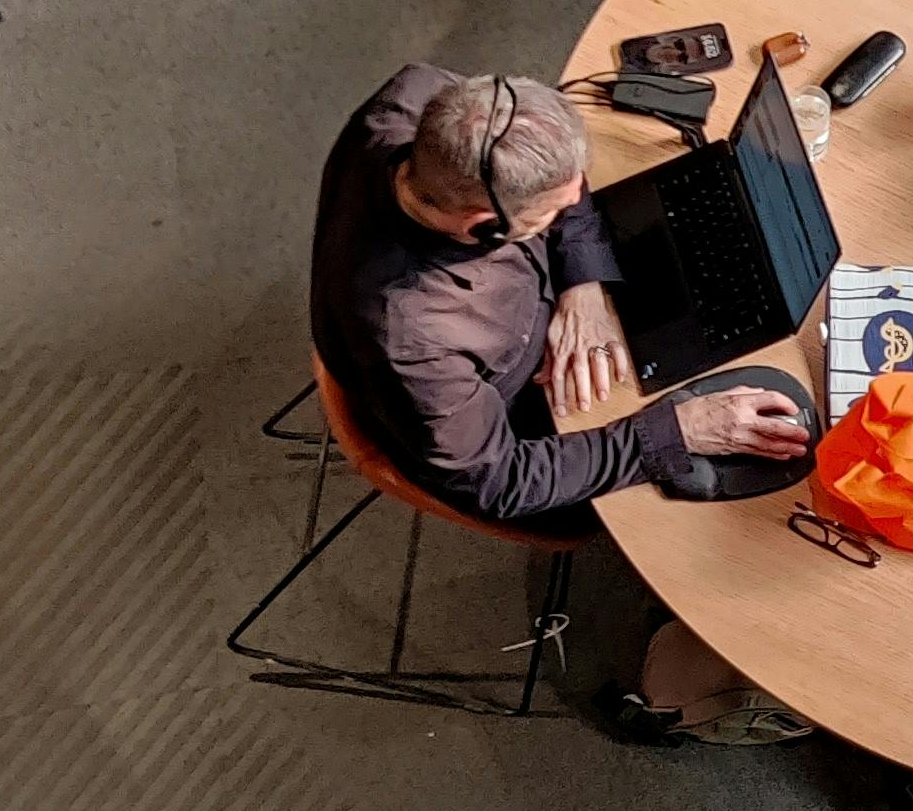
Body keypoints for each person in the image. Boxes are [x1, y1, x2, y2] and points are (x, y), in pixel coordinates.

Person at [310, 64, 807, 525]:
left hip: (558, 318)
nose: (575, 203)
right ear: (484, 227)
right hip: (520, 427)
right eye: (552, 212)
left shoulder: (423, 96)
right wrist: (681, 432)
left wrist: (583, 283)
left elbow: (562, 182)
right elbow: (500, 481)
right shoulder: (415, 341)